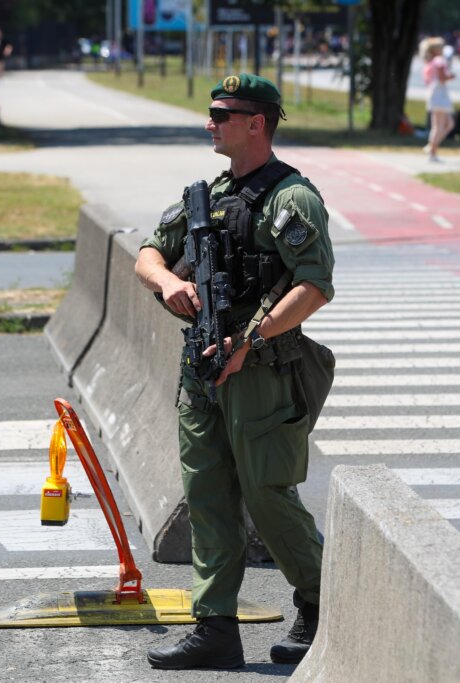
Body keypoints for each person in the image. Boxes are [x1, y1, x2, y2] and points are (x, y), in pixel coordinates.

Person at [134, 73, 334, 670]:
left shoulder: (290, 198)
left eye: (223, 114)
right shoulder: (207, 196)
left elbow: (314, 286)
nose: (210, 123)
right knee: (209, 497)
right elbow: (150, 251)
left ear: (257, 123)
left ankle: (322, 603)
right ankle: (214, 627)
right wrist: (169, 282)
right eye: (211, 113)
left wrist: (249, 339)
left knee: (267, 496)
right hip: (202, 368)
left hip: (261, 372)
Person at [420, 37, 455, 162]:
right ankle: (432, 151)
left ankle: (432, 147)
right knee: (439, 126)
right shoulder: (439, 60)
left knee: (447, 124)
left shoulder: (430, 62)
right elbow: (442, 77)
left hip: (435, 93)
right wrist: (451, 76)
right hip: (439, 94)